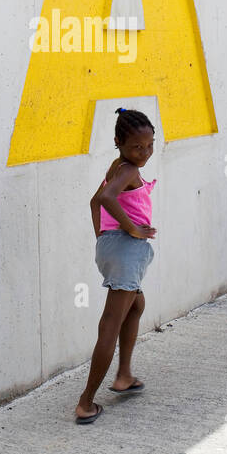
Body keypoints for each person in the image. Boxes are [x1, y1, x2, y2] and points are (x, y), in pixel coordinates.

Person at [74, 108, 157, 425]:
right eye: (137, 147)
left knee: (136, 304)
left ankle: (124, 375)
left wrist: (103, 237)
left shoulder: (118, 166)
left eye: (149, 145)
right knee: (110, 324)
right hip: (126, 251)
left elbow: (95, 201)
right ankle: (86, 402)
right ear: (118, 142)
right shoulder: (128, 170)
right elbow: (107, 197)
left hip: (113, 248)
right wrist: (132, 230)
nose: (144, 153)